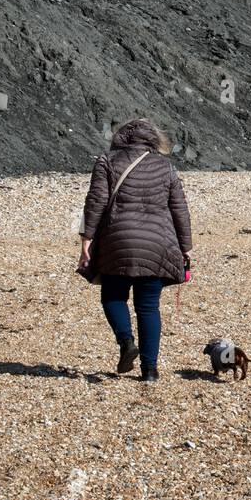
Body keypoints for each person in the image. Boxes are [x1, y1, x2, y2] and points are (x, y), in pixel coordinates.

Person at [78, 119, 192, 382]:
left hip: (117, 244)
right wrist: (185, 247)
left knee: (113, 296)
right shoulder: (166, 166)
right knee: (149, 307)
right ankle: (150, 371)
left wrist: (86, 240)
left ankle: (127, 342)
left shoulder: (106, 161)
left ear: (120, 138)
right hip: (158, 244)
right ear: (153, 139)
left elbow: (96, 202)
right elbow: (179, 209)